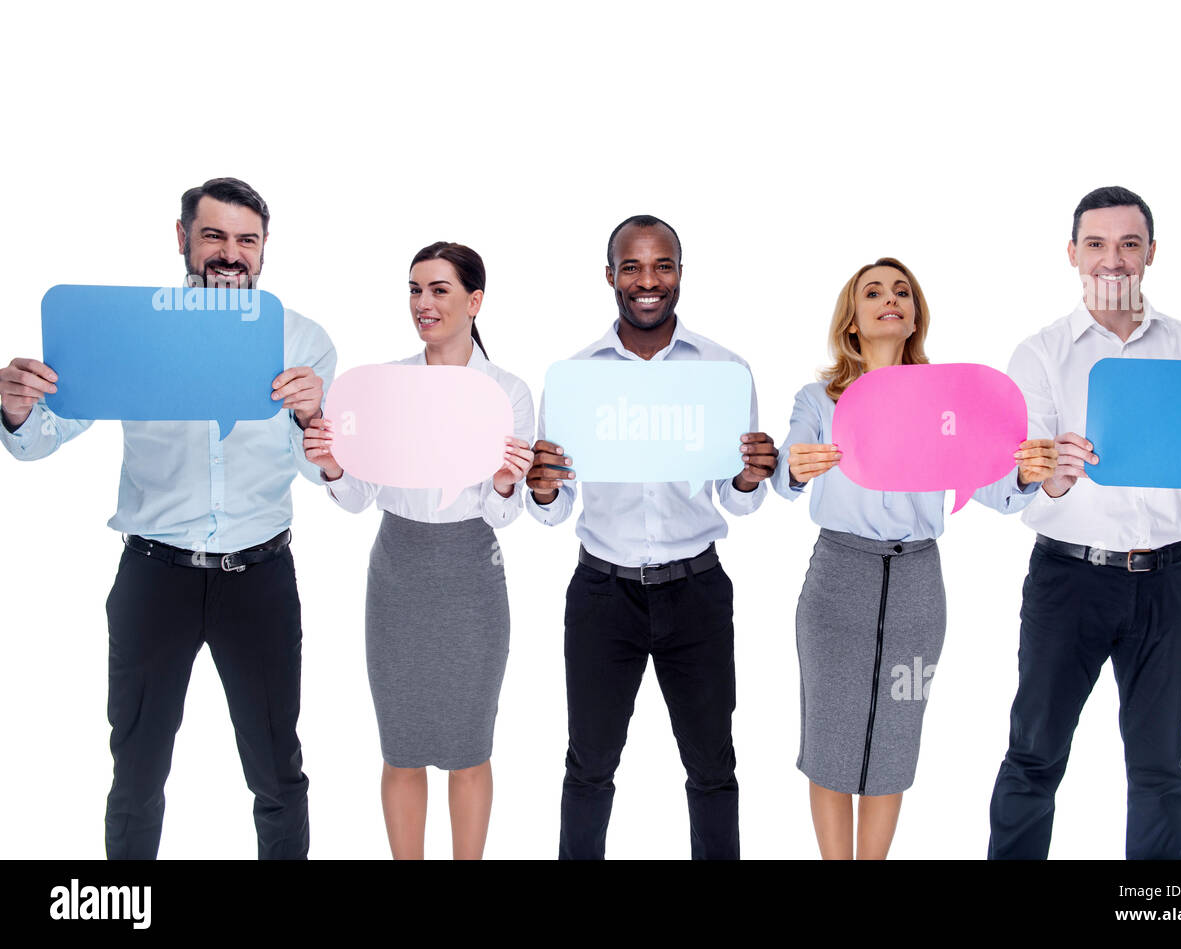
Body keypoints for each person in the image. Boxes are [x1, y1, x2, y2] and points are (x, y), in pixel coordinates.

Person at [0, 177, 335, 858]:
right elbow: (43, 438)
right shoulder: (132, 333)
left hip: (261, 577)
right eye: (214, 236)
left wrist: (314, 419)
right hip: (156, 577)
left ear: (265, 251)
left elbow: (327, 471)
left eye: (247, 240)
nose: (230, 254)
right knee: (138, 772)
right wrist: (15, 408)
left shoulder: (304, 339)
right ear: (182, 238)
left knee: (277, 771)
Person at [987, 186, 1181, 860]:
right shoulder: (1040, 353)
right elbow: (1014, 474)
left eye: (1129, 244)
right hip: (1069, 578)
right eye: (1097, 244)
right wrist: (1053, 471)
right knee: (1035, 753)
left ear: (1151, 253)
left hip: (1167, 581)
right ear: (1073, 254)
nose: (1113, 260)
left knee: (1161, 769)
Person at [773, 257, 1057, 859]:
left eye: (902, 291)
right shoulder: (819, 400)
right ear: (852, 320)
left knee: (895, 736)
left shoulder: (947, 401)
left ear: (914, 317)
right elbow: (786, 471)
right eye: (872, 292)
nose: (889, 299)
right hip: (837, 578)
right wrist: (793, 467)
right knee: (831, 737)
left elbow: (998, 491)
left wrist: (1029, 476)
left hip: (917, 582)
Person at [525, 214, 777, 860]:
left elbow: (737, 502)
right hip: (602, 594)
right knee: (589, 766)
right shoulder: (574, 377)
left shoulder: (725, 370)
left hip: (695, 589)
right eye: (632, 266)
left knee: (713, 767)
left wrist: (750, 479)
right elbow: (553, 511)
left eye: (662, 265)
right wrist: (545, 488)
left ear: (680, 276)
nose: (647, 280)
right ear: (610, 276)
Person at [302, 242, 533, 860]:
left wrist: (507, 482)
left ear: (474, 301)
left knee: (469, 745)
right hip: (397, 571)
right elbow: (359, 498)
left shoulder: (507, 393)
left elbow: (503, 515)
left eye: (438, 290)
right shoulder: (384, 387)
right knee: (399, 744)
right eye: (414, 289)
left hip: (470, 575)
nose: (422, 303)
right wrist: (329, 466)